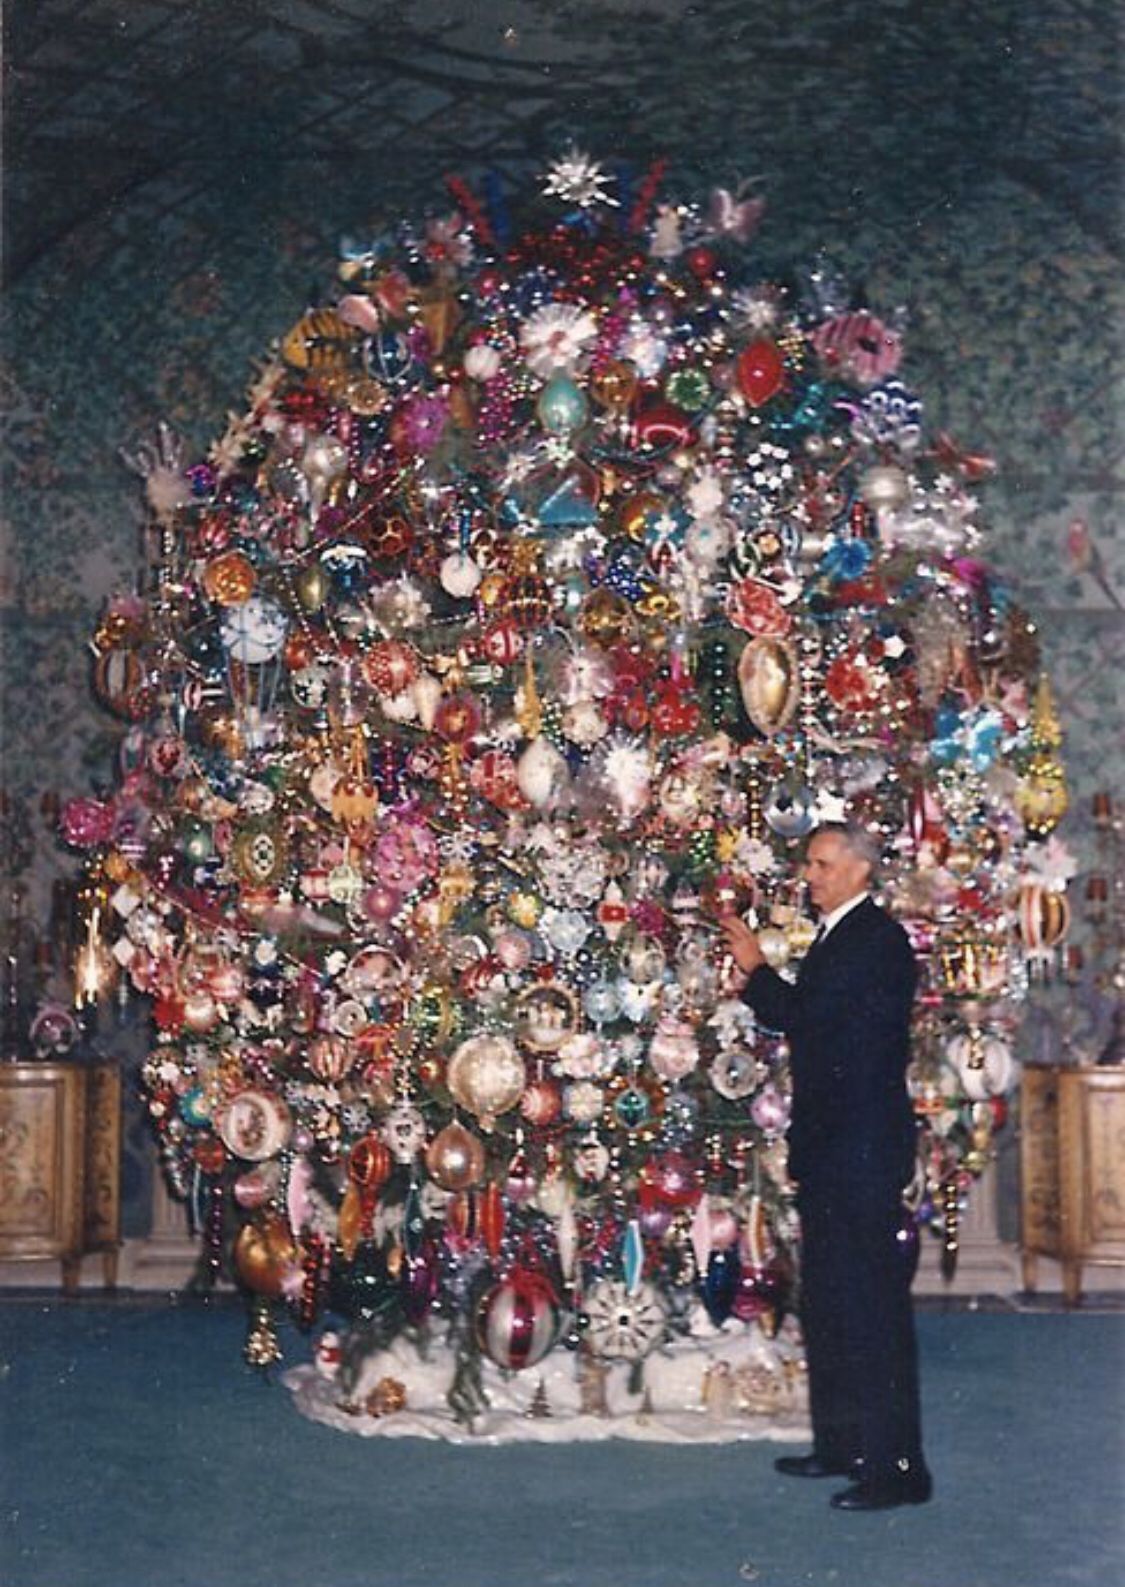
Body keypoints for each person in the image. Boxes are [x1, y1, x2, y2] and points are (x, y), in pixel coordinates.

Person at [721, 823, 932, 1511]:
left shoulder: (873, 940)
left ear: (858, 870)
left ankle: (897, 1468)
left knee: (868, 1310)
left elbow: (804, 1018)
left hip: (861, 1152)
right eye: (807, 862)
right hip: (837, 1148)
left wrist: (754, 969)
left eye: (820, 863)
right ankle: (841, 1445)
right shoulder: (843, 934)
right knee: (831, 1304)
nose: (807, 874)